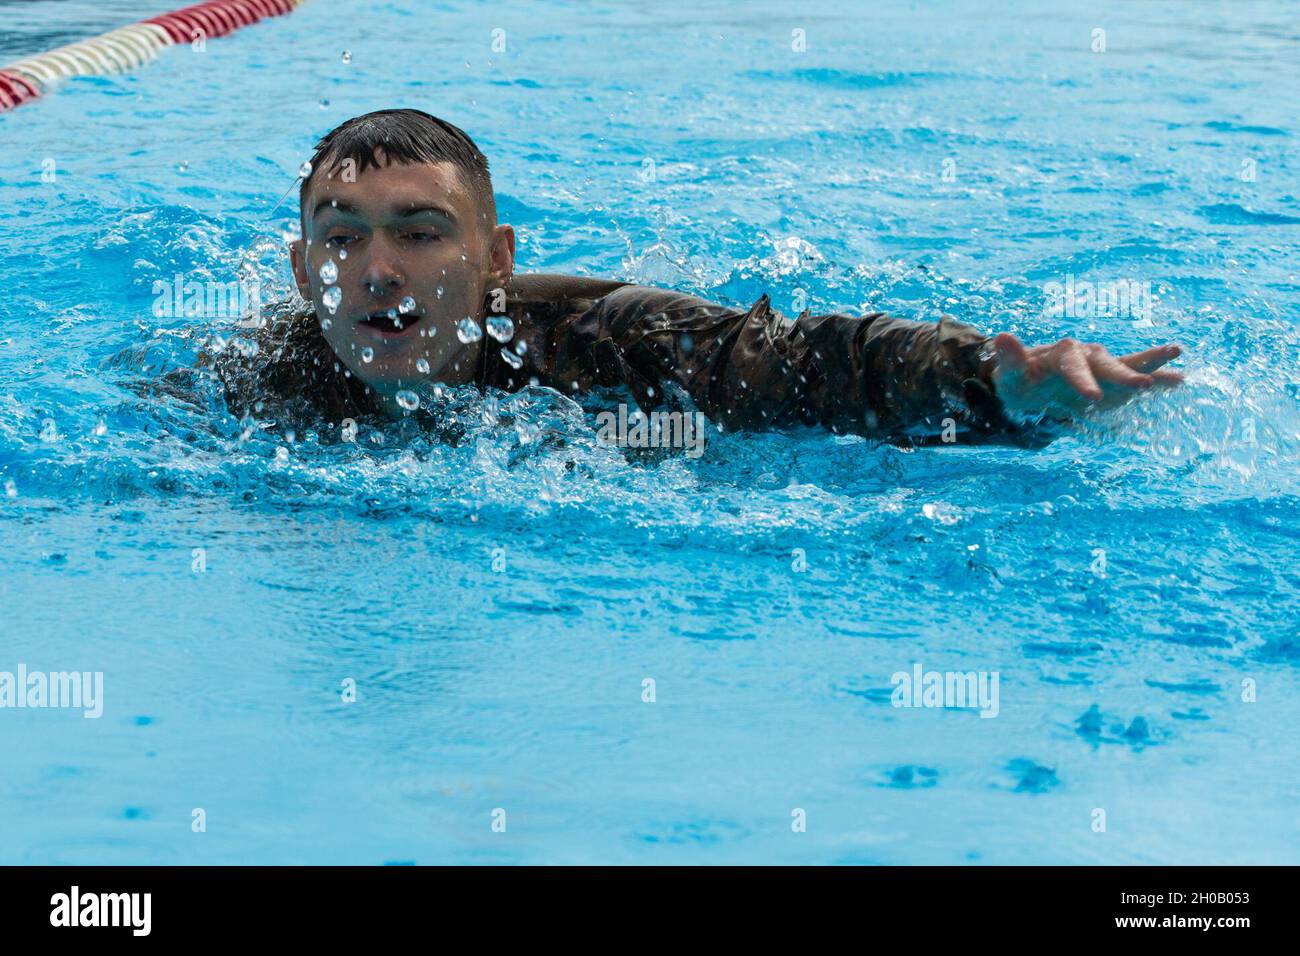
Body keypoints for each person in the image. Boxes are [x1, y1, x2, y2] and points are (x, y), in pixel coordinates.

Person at [203, 108, 1183, 448]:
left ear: (496, 261)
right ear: (300, 269)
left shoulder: (607, 343)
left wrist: (990, 380)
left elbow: (809, 360)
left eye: (420, 233)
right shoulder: (246, 385)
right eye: (340, 241)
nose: (375, 270)